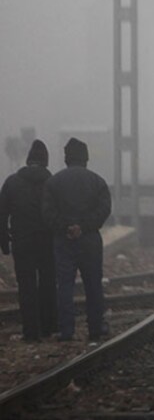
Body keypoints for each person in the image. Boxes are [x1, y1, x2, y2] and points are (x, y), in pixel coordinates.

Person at [42, 138, 111, 342]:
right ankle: (96, 328)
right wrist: (84, 227)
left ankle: (66, 330)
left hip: (63, 241)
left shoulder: (53, 182)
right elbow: (104, 209)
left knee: (64, 286)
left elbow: (47, 213)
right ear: (86, 158)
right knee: (93, 285)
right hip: (90, 240)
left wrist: (66, 227)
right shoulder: (97, 181)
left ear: (66, 158)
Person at [0, 140, 57, 342]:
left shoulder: (11, 182)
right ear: (45, 161)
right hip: (47, 241)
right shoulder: (52, 182)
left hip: (22, 242)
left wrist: (4, 242)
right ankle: (48, 327)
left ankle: (31, 332)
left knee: (26, 286)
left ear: (28, 160)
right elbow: (59, 213)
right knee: (48, 283)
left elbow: (2, 213)